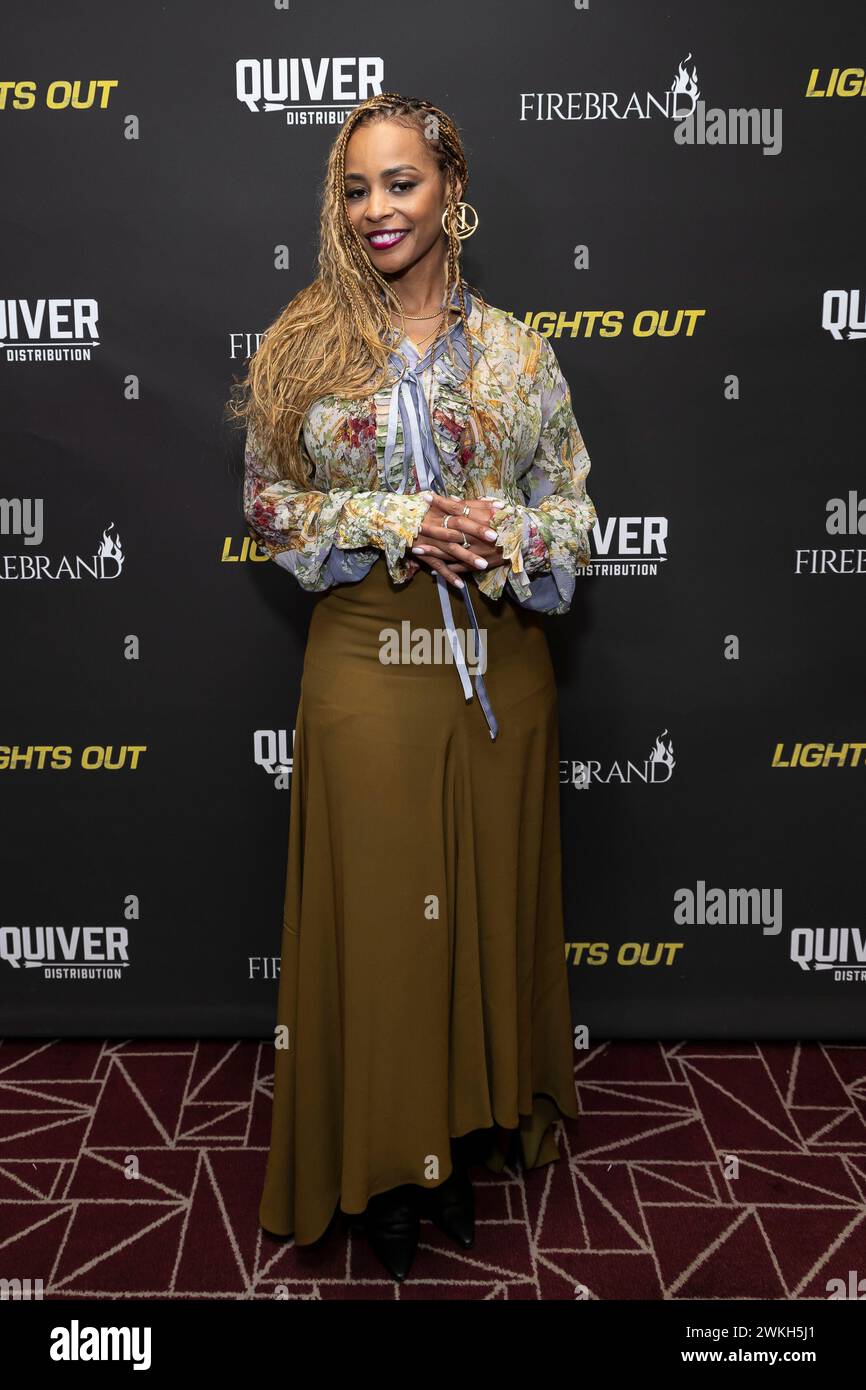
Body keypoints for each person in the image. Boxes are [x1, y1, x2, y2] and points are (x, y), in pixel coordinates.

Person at [229, 91, 598, 1283]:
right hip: (364, 660)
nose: (377, 208)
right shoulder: (299, 342)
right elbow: (266, 506)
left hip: (497, 668)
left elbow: (576, 514)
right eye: (355, 188)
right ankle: (385, 1166)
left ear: (449, 191)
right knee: (387, 923)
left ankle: (472, 1132)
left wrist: (501, 533)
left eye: (401, 183)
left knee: (482, 902)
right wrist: (395, 516)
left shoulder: (516, 353)